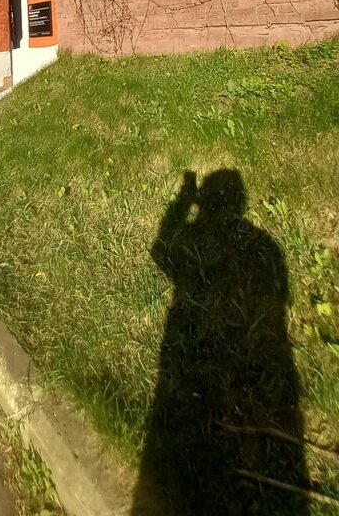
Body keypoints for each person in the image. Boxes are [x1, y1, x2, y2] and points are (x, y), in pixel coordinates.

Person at [131, 169, 307, 515]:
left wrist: (182, 203)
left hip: (207, 364)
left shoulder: (216, 241)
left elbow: (161, 252)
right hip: (260, 371)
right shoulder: (265, 247)